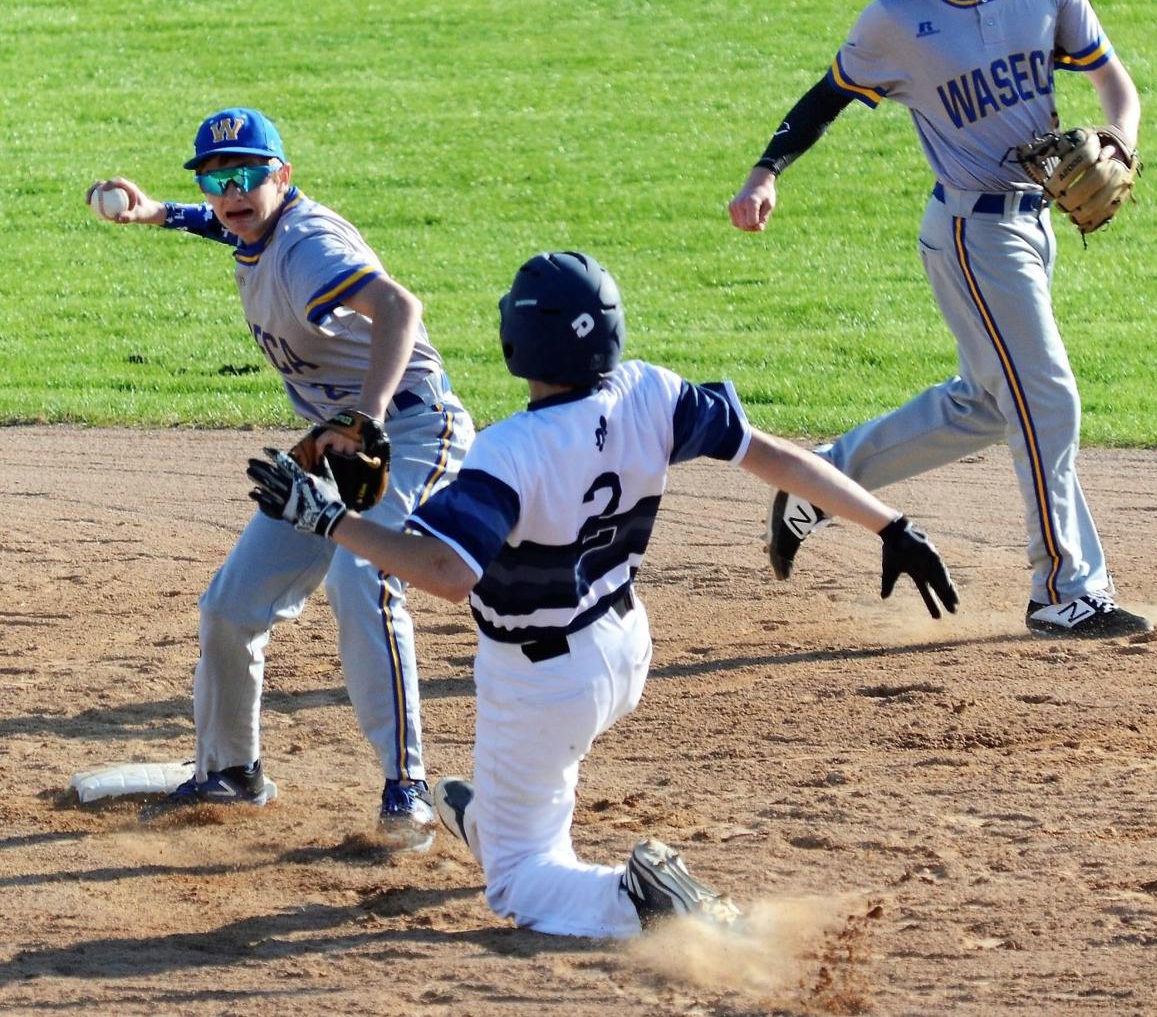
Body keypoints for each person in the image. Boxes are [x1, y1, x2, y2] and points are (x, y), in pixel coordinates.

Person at [246, 250, 959, 937]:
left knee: (522, 880)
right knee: (520, 796)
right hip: (623, 649)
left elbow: (444, 572)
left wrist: (329, 520)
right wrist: (888, 523)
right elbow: (768, 454)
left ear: (517, 342)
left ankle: (635, 898)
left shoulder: (510, 450)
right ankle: (489, 815)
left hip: (541, 683)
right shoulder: (652, 391)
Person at [728, 0, 1150, 640]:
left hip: (1033, 227)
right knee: (1046, 398)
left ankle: (819, 481)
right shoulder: (896, 20)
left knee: (989, 407)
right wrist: (764, 172)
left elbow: (1111, 82)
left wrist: (1120, 141)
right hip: (970, 234)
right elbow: (823, 99)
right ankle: (1062, 591)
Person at [86, 107, 475, 849]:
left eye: (247, 174)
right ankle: (232, 773)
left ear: (284, 177)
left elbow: (400, 306)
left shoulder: (309, 247)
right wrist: (157, 214)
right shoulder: (255, 225)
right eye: (215, 177)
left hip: (412, 431)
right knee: (232, 605)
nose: (231, 191)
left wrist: (368, 420)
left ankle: (408, 789)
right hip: (331, 448)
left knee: (364, 577)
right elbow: (228, 225)